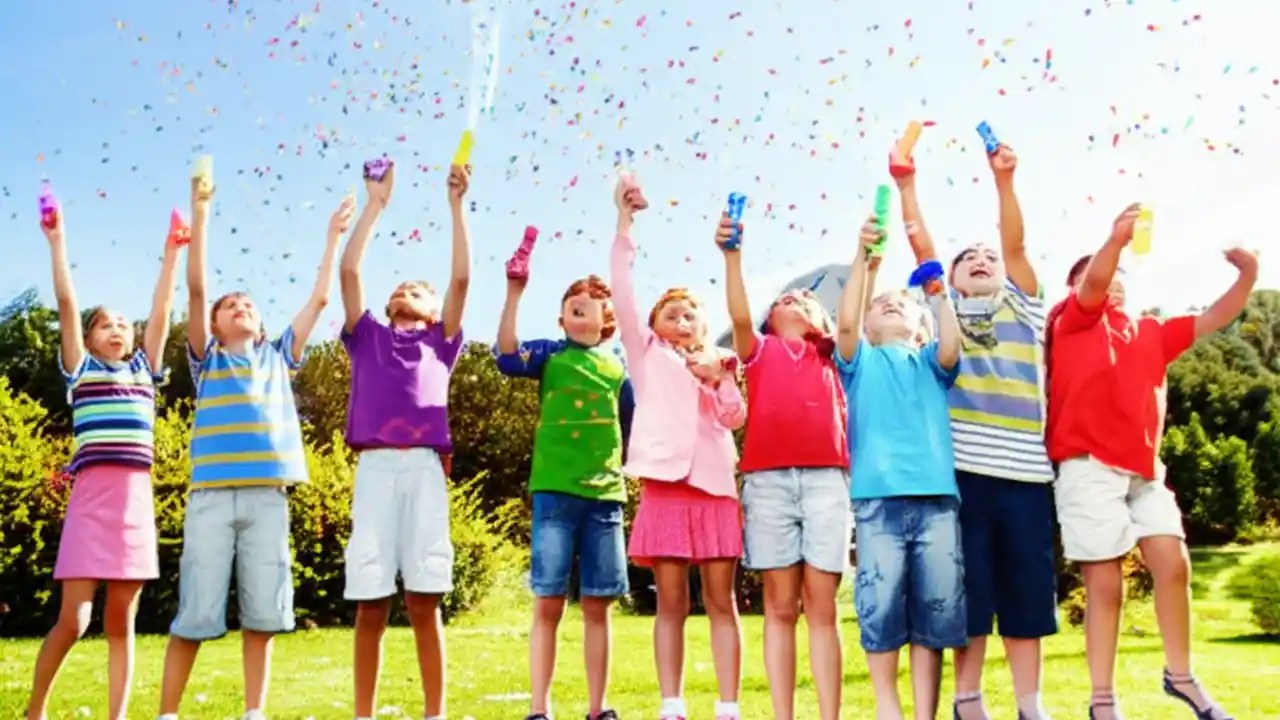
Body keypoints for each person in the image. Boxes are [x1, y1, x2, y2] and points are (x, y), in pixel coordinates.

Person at [1044, 204, 1257, 720]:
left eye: (1119, 276)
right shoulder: (1071, 322)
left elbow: (1213, 318)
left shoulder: (1150, 331)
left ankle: (1180, 676)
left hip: (1143, 472)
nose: (1111, 281)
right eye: (1099, 273)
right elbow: (1091, 286)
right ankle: (1102, 700)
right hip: (1087, 464)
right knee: (1106, 582)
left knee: (1173, 563)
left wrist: (1249, 275)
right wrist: (1113, 242)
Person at [156, 177, 352, 720]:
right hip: (212, 499)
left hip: (268, 497)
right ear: (214, 327)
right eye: (229, 306)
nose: (239, 306)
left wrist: (333, 236)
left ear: (261, 324)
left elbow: (319, 298)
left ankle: (253, 712)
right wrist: (201, 210)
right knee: (194, 612)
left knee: (265, 613)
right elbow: (195, 290)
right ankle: (168, 713)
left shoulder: (279, 356)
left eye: (247, 304)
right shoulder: (207, 360)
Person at [892, 142, 1056, 720]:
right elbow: (924, 246)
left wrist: (1004, 181)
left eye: (989, 256)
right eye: (970, 258)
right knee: (971, 594)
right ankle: (967, 700)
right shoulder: (944, 311)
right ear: (953, 279)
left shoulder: (1026, 307)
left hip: (1028, 476)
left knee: (1027, 597)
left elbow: (1015, 243)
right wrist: (907, 185)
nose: (983, 259)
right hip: (962, 475)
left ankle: (1030, 704)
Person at [25, 205, 182, 720]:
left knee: (122, 622)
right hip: (92, 500)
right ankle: (35, 711)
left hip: (135, 503)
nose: (115, 328)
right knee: (75, 620)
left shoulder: (145, 369)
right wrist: (57, 240)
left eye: (122, 324)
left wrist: (173, 254)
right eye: (104, 324)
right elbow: (67, 302)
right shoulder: (81, 371)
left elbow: (162, 307)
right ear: (89, 340)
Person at [338, 160, 472, 720]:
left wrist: (456, 207)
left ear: (436, 309)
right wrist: (375, 206)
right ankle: (363, 714)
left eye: (417, 288)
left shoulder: (443, 341)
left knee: (424, 600)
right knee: (371, 602)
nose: (404, 290)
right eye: (400, 286)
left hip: (422, 468)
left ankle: (434, 712)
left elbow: (461, 280)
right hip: (373, 469)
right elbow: (349, 272)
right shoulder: (366, 336)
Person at [609, 176, 745, 720]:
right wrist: (625, 223)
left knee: (721, 601)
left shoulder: (718, 364)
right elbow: (621, 285)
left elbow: (734, 419)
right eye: (671, 313)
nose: (681, 319)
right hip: (665, 490)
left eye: (691, 314)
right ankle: (671, 702)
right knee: (671, 602)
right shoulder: (645, 357)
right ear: (653, 327)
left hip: (714, 491)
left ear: (704, 325)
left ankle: (729, 705)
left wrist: (722, 376)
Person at [715, 210, 850, 720]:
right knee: (778, 605)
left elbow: (854, 318)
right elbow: (742, 317)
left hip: (826, 481)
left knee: (821, 604)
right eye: (785, 298)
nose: (793, 299)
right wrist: (733, 257)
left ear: (824, 322)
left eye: (806, 299)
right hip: (768, 482)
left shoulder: (835, 356)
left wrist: (867, 258)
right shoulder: (760, 349)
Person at [495, 243, 635, 720]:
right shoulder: (550, 355)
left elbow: (633, 429)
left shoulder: (619, 369)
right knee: (548, 604)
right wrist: (514, 293)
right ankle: (540, 708)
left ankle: (598, 709)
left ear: (606, 317)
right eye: (569, 303)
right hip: (554, 495)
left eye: (588, 301)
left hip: (604, 500)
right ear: (561, 319)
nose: (576, 305)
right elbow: (506, 357)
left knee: (599, 607)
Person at [836, 214, 967, 720]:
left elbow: (953, 345)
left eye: (902, 303)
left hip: (937, 502)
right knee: (881, 610)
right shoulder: (859, 361)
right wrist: (863, 260)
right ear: (868, 325)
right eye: (880, 304)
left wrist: (937, 294)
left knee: (934, 617)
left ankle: (923, 715)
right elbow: (844, 324)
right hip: (878, 505)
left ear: (919, 327)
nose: (892, 302)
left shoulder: (932, 362)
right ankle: (888, 709)